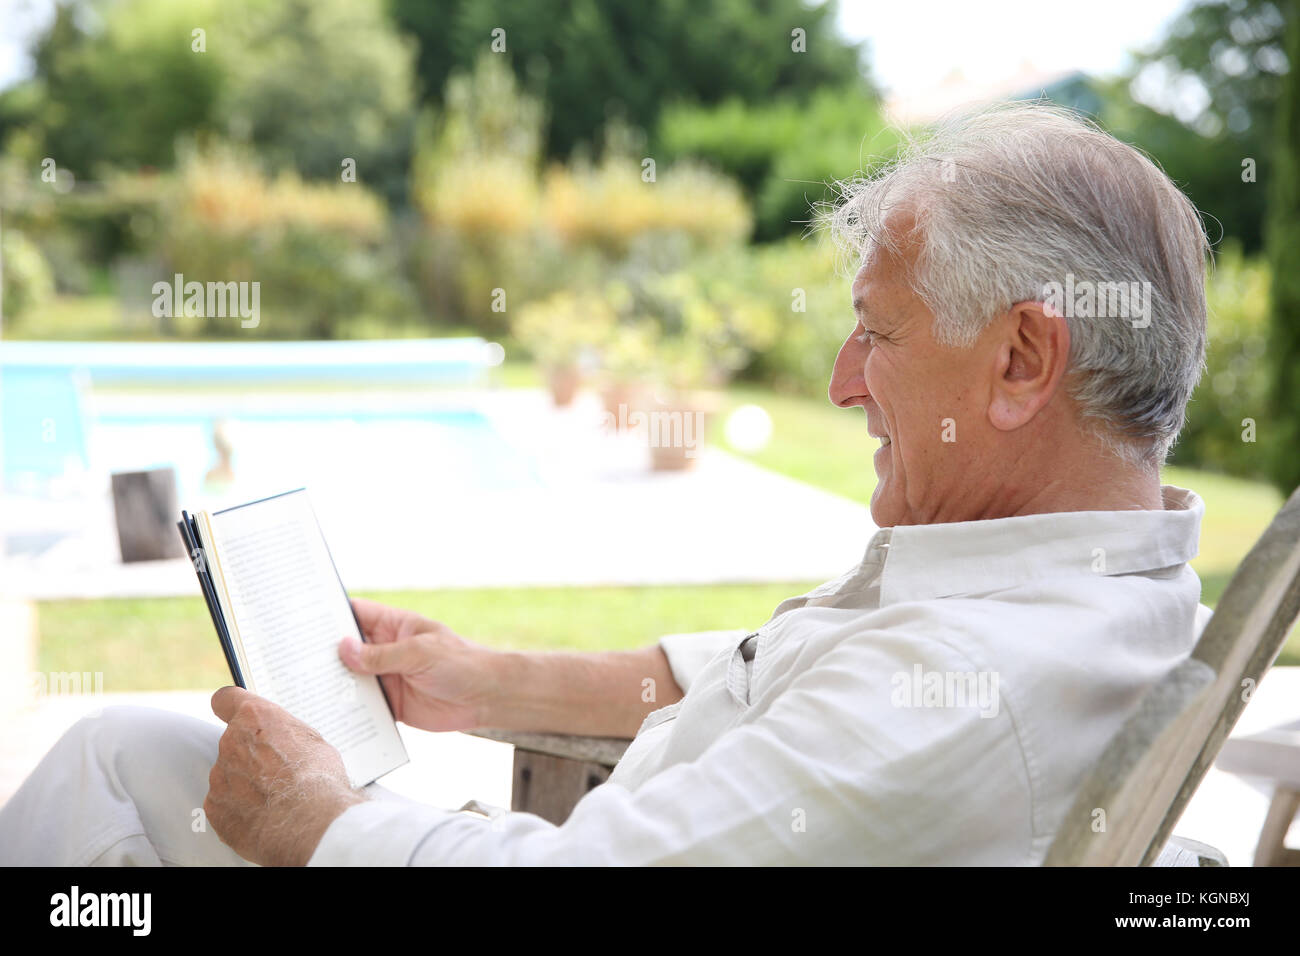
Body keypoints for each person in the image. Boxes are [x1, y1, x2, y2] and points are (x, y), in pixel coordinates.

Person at [0, 101, 1212, 865]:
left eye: (877, 335)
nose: (843, 384)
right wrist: (484, 679)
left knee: (109, 766)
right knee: (116, 751)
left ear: (1020, 359)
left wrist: (318, 817)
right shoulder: (1074, 587)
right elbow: (749, 665)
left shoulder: (960, 692)